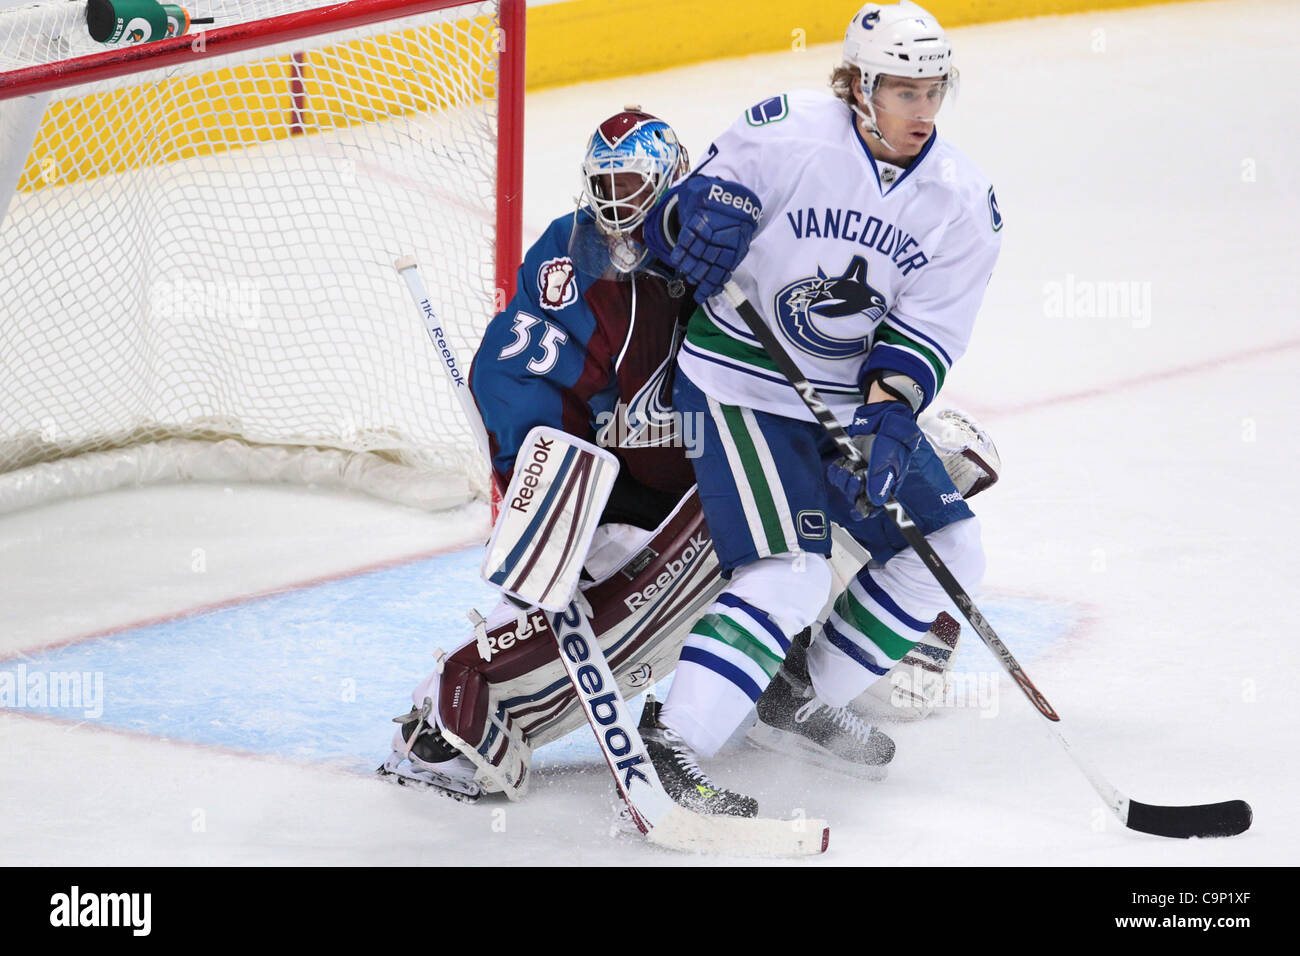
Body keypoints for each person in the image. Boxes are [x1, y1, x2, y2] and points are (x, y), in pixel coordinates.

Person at [380, 104, 1000, 813]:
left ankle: (804, 685)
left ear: (678, 180)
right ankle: (455, 715)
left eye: (636, 188)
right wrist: (551, 496)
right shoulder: (578, 262)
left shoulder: (732, 232)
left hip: (730, 466)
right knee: (663, 598)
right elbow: (514, 381)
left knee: (888, 535)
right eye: (606, 188)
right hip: (626, 511)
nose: (620, 208)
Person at [637, 1, 1003, 797]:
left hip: (846, 402)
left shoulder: (963, 202)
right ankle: (669, 745)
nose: (924, 109)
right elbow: (669, 226)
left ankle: (797, 695)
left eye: (935, 90)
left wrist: (889, 408)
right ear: (859, 87)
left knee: (950, 551)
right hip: (739, 380)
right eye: (906, 92)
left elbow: (926, 332)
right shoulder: (784, 133)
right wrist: (691, 219)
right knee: (791, 573)